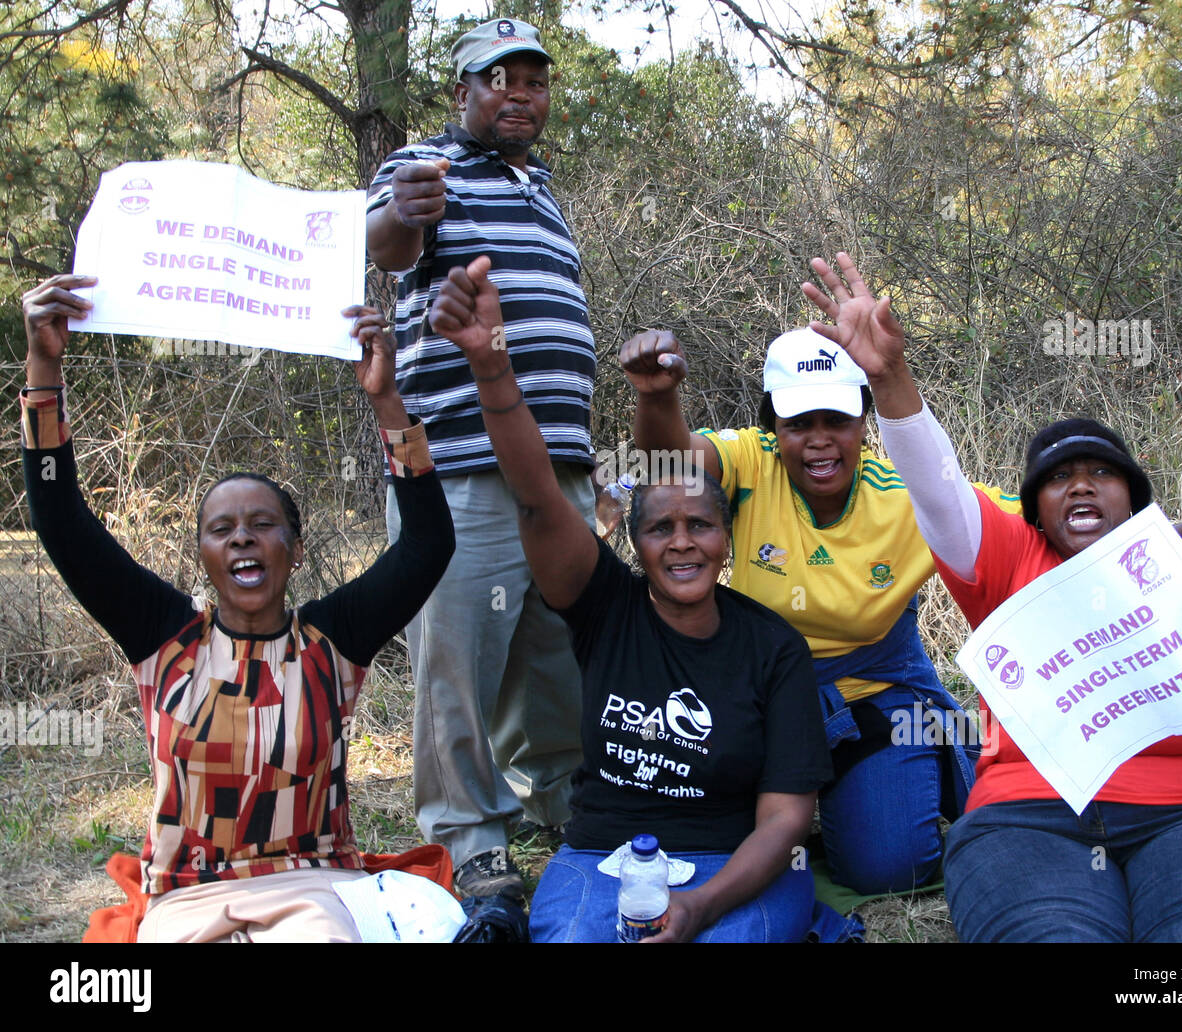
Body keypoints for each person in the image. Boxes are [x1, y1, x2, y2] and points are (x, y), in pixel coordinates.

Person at [802, 251, 1182, 941]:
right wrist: (889, 377)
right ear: (1036, 508)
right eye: (1060, 477)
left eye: (1103, 471)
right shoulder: (1007, 559)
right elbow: (937, 488)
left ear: (1134, 499)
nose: (1083, 485)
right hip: (1030, 821)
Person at [20, 273, 455, 942]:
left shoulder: (330, 645)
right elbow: (59, 519)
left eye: (262, 523)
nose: (243, 536)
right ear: (203, 554)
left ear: (295, 548)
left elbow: (428, 543)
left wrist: (388, 399)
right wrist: (44, 365)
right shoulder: (162, 639)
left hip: (313, 885)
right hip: (187, 896)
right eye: (223, 529)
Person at [428, 256, 835, 942]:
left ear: (726, 538)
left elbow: (787, 822)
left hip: (733, 864)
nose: (682, 544)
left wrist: (700, 908)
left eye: (700, 525)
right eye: (660, 527)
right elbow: (534, 497)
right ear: (636, 542)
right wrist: (490, 367)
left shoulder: (774, 649)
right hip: (602, 858)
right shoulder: (605, 610)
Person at [620, 327, 1017, 896]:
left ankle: (925, 753)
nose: (819, 441)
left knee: (888, 867)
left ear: (864, 422)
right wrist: (657, 396)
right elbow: (669, 470)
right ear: (771, 428)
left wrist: (1166, 537)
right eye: (798, 424)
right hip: (756, 696)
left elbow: (1033, 521)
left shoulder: (904, 497)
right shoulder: (749, 465)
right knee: (693, 832)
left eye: (837, 420)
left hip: (871, 696)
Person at [365, 17, 594, 898]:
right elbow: (390, 244)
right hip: (463, 459)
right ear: (463, 93)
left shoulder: (540, 185)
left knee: (557, 646)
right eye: (498, 78)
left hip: (560, 462)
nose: (519, 92)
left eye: (533, 79)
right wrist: (400, 213)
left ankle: (567, 803)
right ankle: (469, 835)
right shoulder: (427, 167)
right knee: (457, 654)